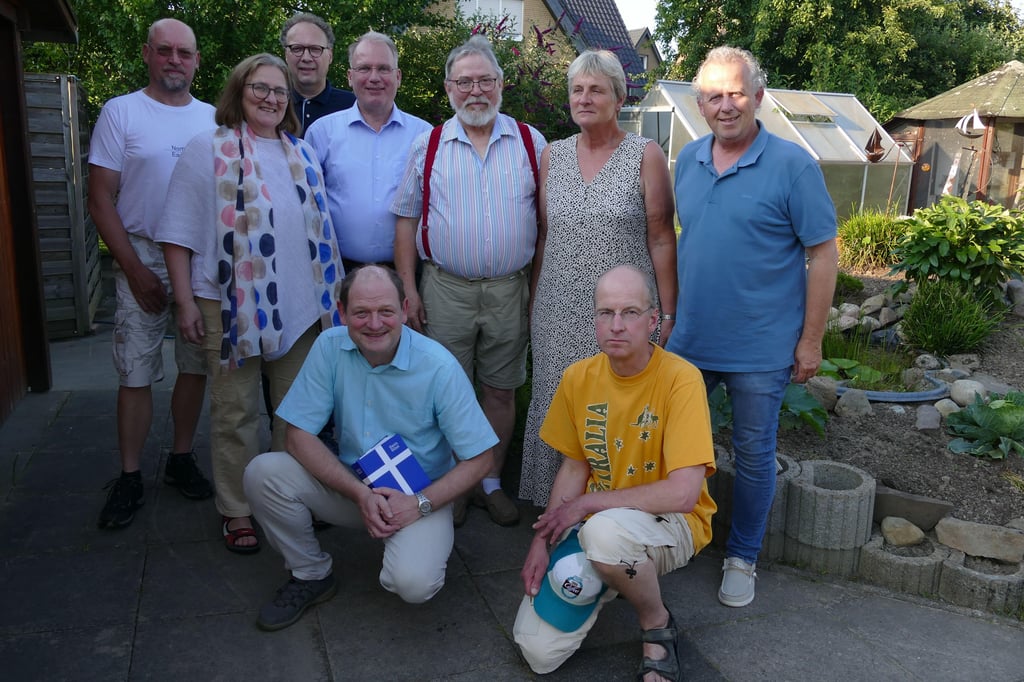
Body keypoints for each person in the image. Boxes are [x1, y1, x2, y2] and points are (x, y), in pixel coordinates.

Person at [666, 46, 838, 608]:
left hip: (762, 348)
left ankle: (743, 558)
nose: (725, 105)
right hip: (690, 341)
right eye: (713, 95)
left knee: (754, 453)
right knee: (676, 448)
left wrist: (810, 340)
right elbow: (679, 241)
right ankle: (668, 539)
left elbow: (824, 254)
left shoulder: (793, 165)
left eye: (736, 93)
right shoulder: (687, 161)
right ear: (700, 103)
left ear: (758, 97)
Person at [157, 53, 344, 554]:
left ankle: (281, 496)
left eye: (279, 92)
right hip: (226, 304)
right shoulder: (208, 149)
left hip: (301, 308)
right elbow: (175, 233)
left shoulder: (300, 153)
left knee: (295, 414)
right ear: (239, 91)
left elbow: (317, 234)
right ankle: (237, 508)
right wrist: (184, 303)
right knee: (235, 411)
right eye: (260, 88)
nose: (270, 98)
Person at [243, 265, 498, 631]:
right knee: (263, 473)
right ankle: (311, 573)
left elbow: (480, 459)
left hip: (419, 495)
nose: (374, 323)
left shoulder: (439, 366)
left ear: (406, 309)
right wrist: (359, 495)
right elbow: (297, 436)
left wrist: (419, 503)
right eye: (361, 312)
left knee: (413, 584)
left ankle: (411, 543)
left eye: (386, 312)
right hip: (353, 484)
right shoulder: (328, 347)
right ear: (342, 312)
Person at [514, 265, 716, 682]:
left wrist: (587, 505)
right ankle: (610, 576)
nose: (617, 325)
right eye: (606, 313)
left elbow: (682, 495)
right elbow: (574, 466)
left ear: (653, 320)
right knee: (537, 652)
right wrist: (541, 542)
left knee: (603, 535)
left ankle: (655, 621)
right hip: (600, 526)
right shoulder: (578, 378)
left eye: (630, 312)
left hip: (672, 523)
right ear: (595, 320)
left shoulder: (681, 380)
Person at [391, 35, 546, 528]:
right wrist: (408, 289)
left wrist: (535, 291)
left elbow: (546, 226)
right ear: (448, 88)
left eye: (484, 80)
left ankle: (490, 483)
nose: (475, 90)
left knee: (499, 391)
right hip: (445, 288)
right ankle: (452, 487)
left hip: (507, 289)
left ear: (501, 84)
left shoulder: (530, 141)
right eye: (464, 82)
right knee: (445, 393)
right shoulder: (428, 145)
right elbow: (404, 220)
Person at [519, 49, 677, 508]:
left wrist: (666, 311)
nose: (585, 98)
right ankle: (552, 509)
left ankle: (610, 514)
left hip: (620, 315)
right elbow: (545, 236)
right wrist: (534, 302)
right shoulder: (553, 155)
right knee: (558, 402)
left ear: (617, 96)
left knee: (615, 406)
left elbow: (663, 238)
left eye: (596, 89)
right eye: (577, 89)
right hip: (559, 310)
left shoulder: (644, 155)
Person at [89, 18, 214, 529]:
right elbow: (100, 198)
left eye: (184, 53)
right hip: (141, 252)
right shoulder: (122, 112)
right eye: (164, 51)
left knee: (195, 364)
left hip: (201, 257)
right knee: (135, 370)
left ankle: (181, 458)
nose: (174, 60)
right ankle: (130, 474)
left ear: (197, 61)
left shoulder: (212, 118)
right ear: (147, 53)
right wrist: (134, 268)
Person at [305, 32, 431, 271]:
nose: (374, 78)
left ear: (398, 76)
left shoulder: (424, 135)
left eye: (383, 68)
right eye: (364, 69)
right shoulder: (322, 133)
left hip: (405, 272)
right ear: (350, 77)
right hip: (338, 270)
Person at [280, 12, 355, 135]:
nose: (306, 58)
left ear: (330, 56)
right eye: (297, 48)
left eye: (315, 49)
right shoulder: (272, 104)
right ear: (286, 55)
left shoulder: (352, 107)